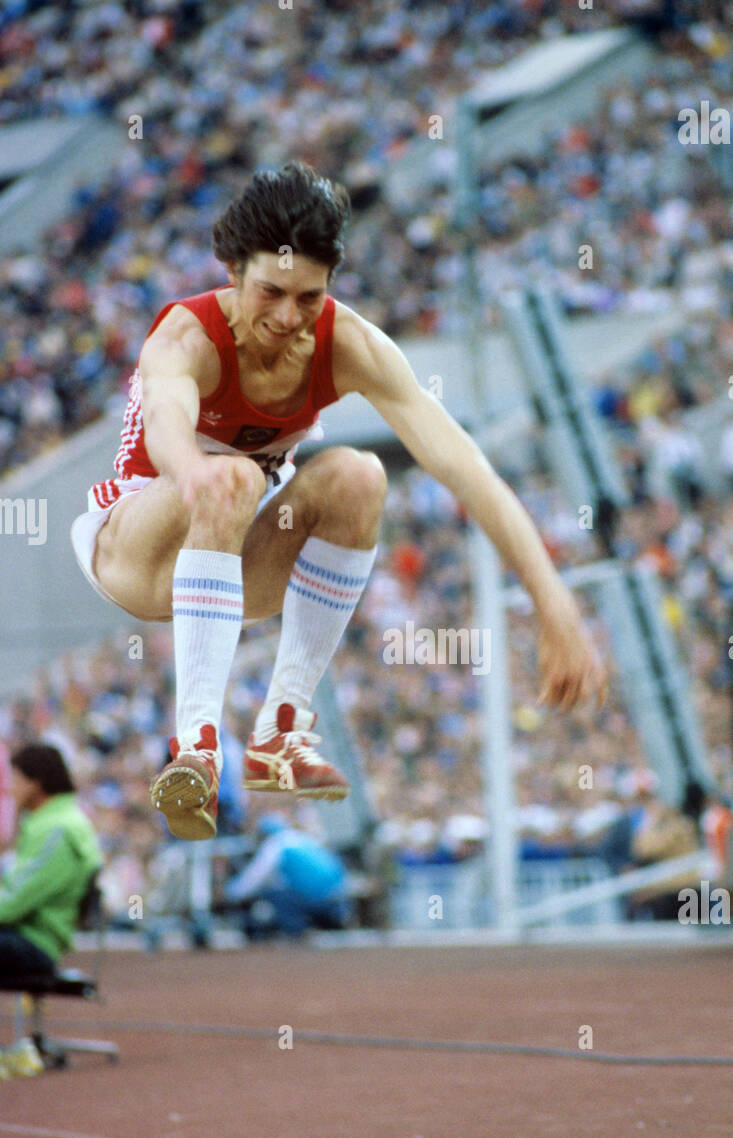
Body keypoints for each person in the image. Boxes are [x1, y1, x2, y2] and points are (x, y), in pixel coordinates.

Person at [70, 161, 608, 842]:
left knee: (359, 475)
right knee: (232, 475)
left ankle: (280, 729)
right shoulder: (187, 335)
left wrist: (553, 603)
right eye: (271, 292)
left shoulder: (348, 344)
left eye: (310, 297)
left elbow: (467, 468)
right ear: (233, 270)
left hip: (232, 565)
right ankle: (198, 749)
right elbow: (167, 421)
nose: (289, 318)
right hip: (133, 548)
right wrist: (193, 470)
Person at [0, 744, 103, 978]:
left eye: (15, 779)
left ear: (35, 783)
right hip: (27, 936)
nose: (9, 789)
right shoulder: (55, 821)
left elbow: (16, 898)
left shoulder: (58, 829)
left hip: (33, 942)